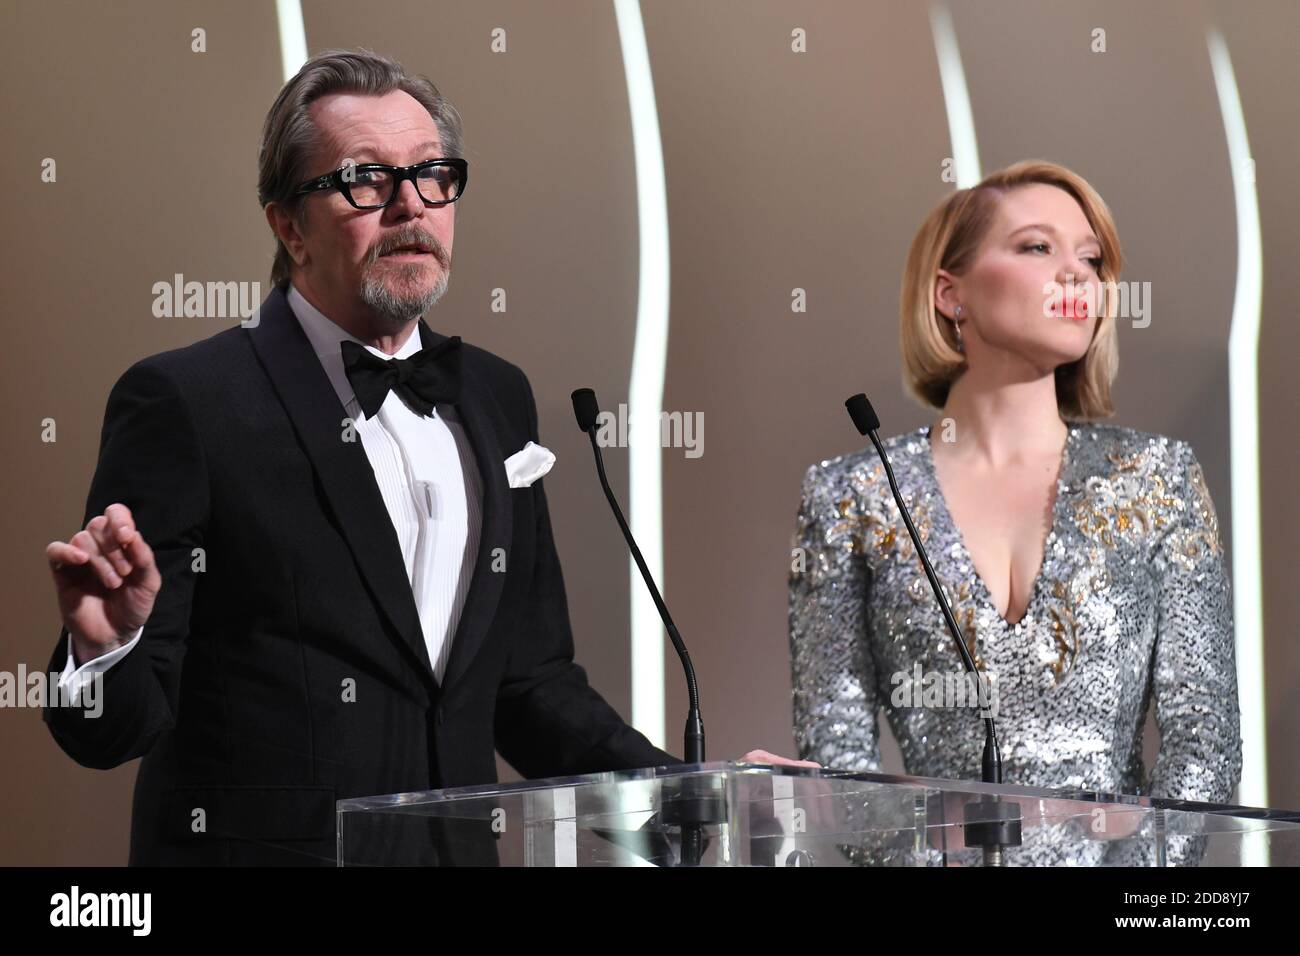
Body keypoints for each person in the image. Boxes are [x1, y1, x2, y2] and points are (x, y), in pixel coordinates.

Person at [44, 48, 809, 866]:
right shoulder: (186, 402)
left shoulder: (496, 397)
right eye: (365, 180)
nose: (410, 205)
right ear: (286, 224)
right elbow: (110, 734)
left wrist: (694, 798)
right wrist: (103, 650)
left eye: (432, 175)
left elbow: (529, 687)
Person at [788, 160, 1242, 865]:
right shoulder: (854, 495)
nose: (1077, 275)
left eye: (1091, 259)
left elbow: (1204, 742)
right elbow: (836, 753)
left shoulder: (1156, 480)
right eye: (1038, 247)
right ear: (950, 294)